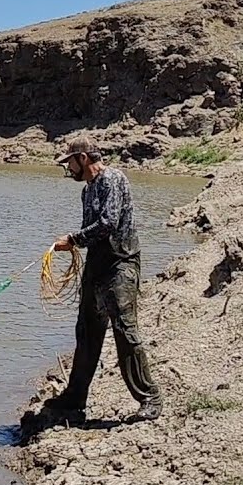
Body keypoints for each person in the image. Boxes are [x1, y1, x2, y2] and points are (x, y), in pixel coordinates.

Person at [42, 136, 163, 421]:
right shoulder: (87, 191)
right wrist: (77, 242)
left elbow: (108, 223)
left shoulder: (113, 179)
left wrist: (72, 239)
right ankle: (74, 399)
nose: (68, 168)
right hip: (97, 266)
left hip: (121, 264)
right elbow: (94, 230)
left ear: (83, 159)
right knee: (86, 331)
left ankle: (150, 398)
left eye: (69, 162)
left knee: (125, 330)